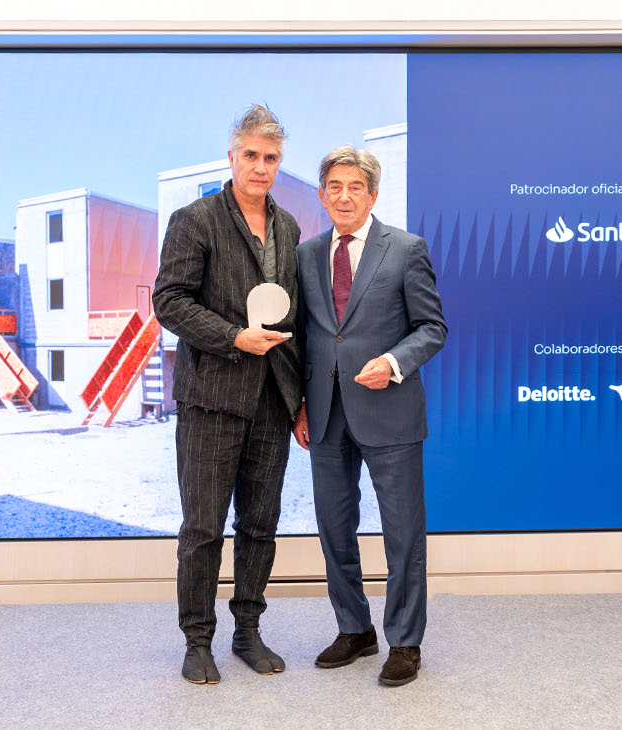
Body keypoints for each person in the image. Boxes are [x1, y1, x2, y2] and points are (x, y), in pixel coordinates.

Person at [152, 104, 305, 685]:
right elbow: (169, 302)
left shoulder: (288, 227)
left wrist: (302, 399)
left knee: (260, 525)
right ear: (232, 156)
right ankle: (197, 640)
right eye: (251, 156)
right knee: (203, 529)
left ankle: (248, 631)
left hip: (273, 401)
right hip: (211, 398)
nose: (260, 167)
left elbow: (300, 319)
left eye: (271, 159)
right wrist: (233, 337)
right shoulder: (195, 220)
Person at [291, 145, 447, 687]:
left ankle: (405, 640)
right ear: (322, 194)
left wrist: (393, 361)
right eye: (334, 186)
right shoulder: (306, 255)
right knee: (335, 530)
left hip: (392, 413)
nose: (344, 195)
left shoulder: (405, 249)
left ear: (373, 194)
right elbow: (309, 337)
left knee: (403, 534)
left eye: (355, 186)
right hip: (326, 416)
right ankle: (355, 629)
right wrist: (300, 404)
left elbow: (432, 328)